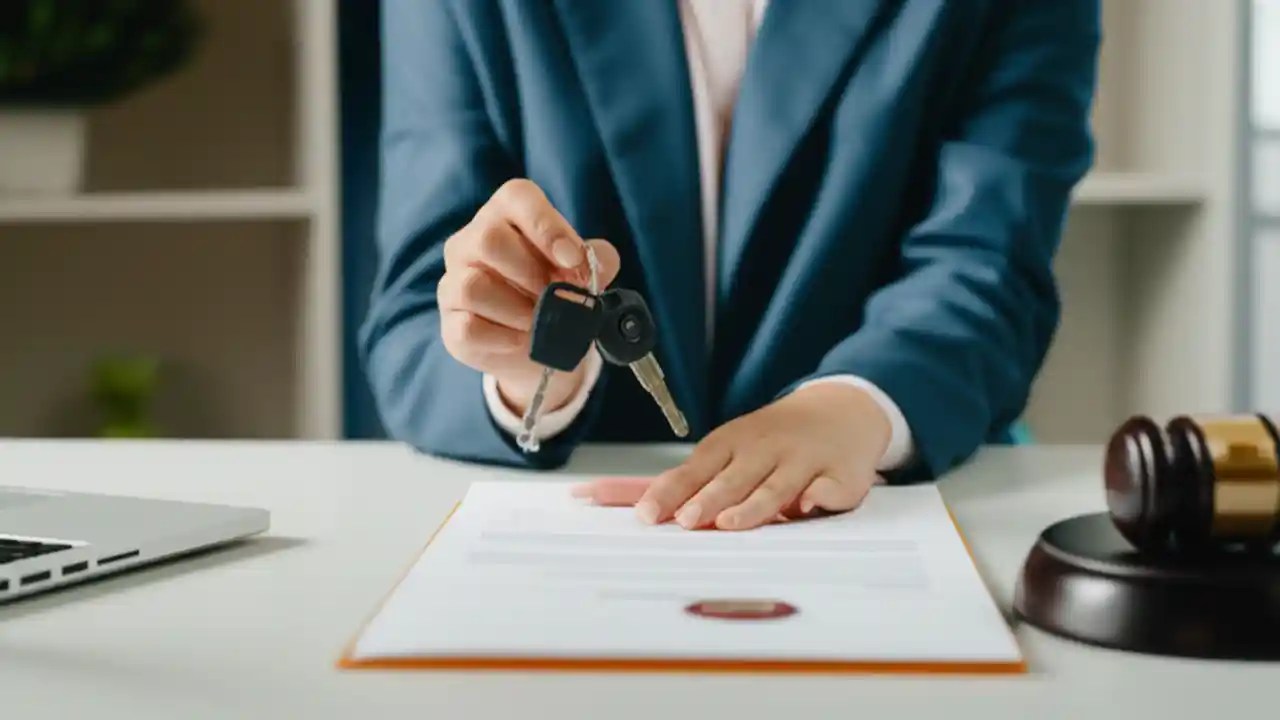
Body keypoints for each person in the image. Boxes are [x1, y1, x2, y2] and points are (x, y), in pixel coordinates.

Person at [360, 0, 1100, 531]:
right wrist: (522, 368)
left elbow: (989, 264)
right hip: (582, 527)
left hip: (871, 508)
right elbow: (413, 317)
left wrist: (856, 405)